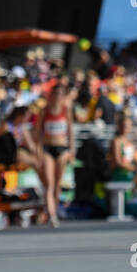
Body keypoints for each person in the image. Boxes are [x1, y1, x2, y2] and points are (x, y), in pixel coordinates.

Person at [35, 81, 75, 227]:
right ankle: (51, 215)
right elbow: (38, 132)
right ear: (51, 96)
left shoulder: (66, 110)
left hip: (62, 149)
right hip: (47, 148)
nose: (58, 97)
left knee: (57, 184)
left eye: (60, 95)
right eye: (55, 94)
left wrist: (71, 150)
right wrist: (38, 150)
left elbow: (70, 131)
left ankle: (54, 210)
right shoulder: (44, 111)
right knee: (50, 184)